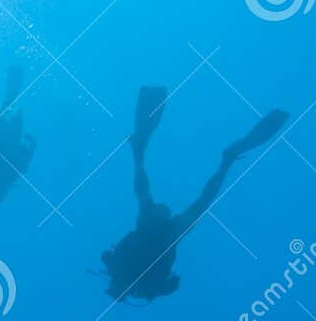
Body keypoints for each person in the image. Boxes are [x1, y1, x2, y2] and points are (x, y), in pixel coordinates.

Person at [101, 86, 289, 304]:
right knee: (160, 199)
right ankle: (142, 153)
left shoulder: (138, 279)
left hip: (161, 239)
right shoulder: (130, 272)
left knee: (195, 204)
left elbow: (168, 282)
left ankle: (224, 160)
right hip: (160, 238)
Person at [0, 64, 36, 203]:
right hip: (6, 137)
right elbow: (25, 159)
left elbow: (24, 159)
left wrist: (30, 145)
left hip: (4, 137)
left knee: (2, 108)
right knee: (3, 108)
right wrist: (31, 145)